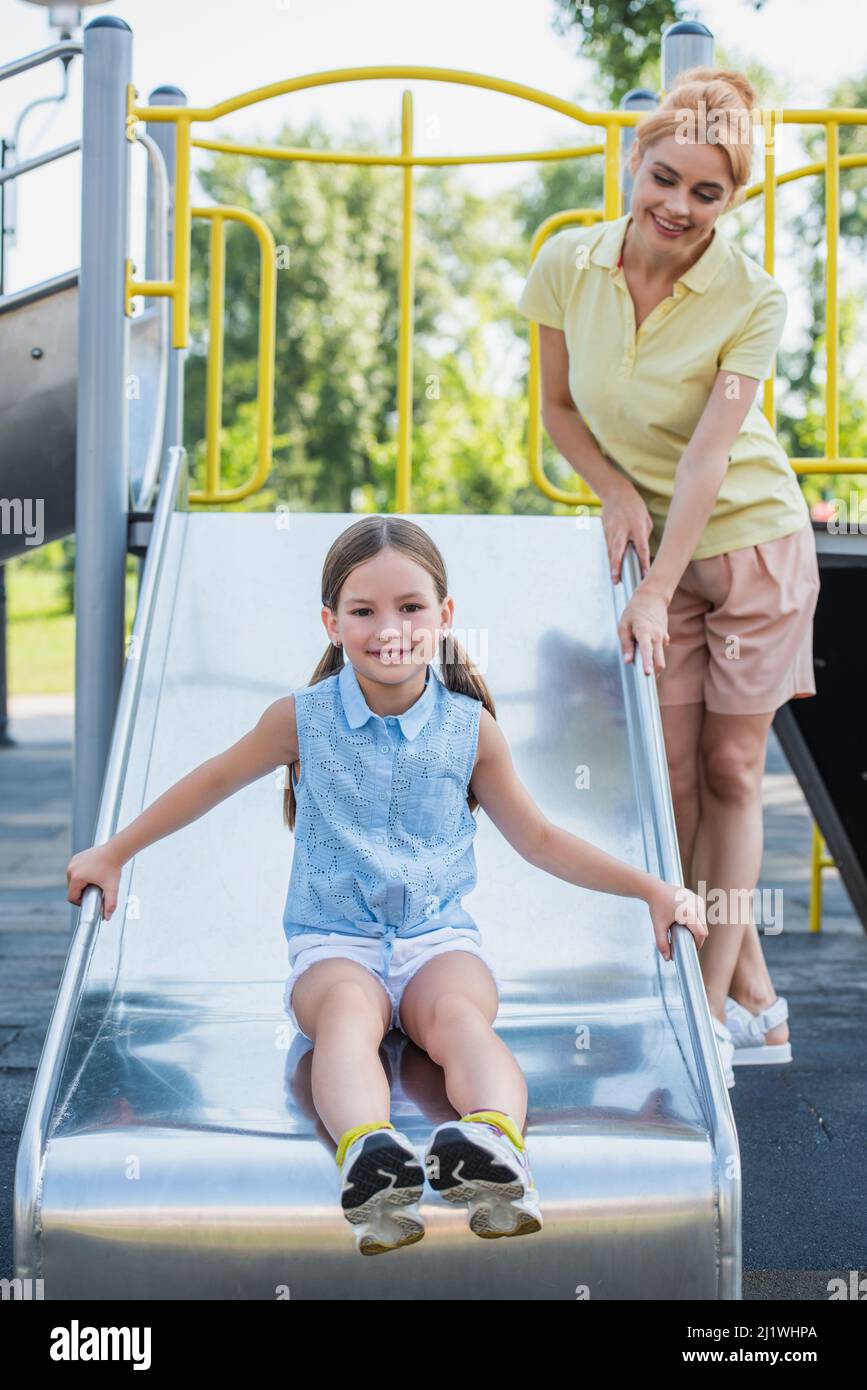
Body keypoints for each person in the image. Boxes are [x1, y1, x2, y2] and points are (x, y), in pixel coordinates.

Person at [66, 513, 707, 1257]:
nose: (388, 627)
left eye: (410, 607)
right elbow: (208, 781)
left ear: (444, 616)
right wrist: (115, 851)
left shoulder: (470, 729)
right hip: (333, 943)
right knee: (345, 1018)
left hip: (437, 942)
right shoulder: (300, 720)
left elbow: (539, 839)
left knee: (461, 1016)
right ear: (331, 623)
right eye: (363, 611)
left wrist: (651, 889)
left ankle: (491, 1144)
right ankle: (370, 1156)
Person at [516, 66, 821, 1088]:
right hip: (656, 551)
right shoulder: (566, 263)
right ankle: (760, 1006)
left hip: (751, 550)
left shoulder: (753, 296)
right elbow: (559, 409)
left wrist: (656, 585)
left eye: (709, 192)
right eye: (665, 178)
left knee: (734, 776)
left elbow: (709, 456)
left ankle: (700, 1009)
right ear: (631, 166)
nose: (680, 207)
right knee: (674, 781)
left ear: (733, 199)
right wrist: (610, 490)